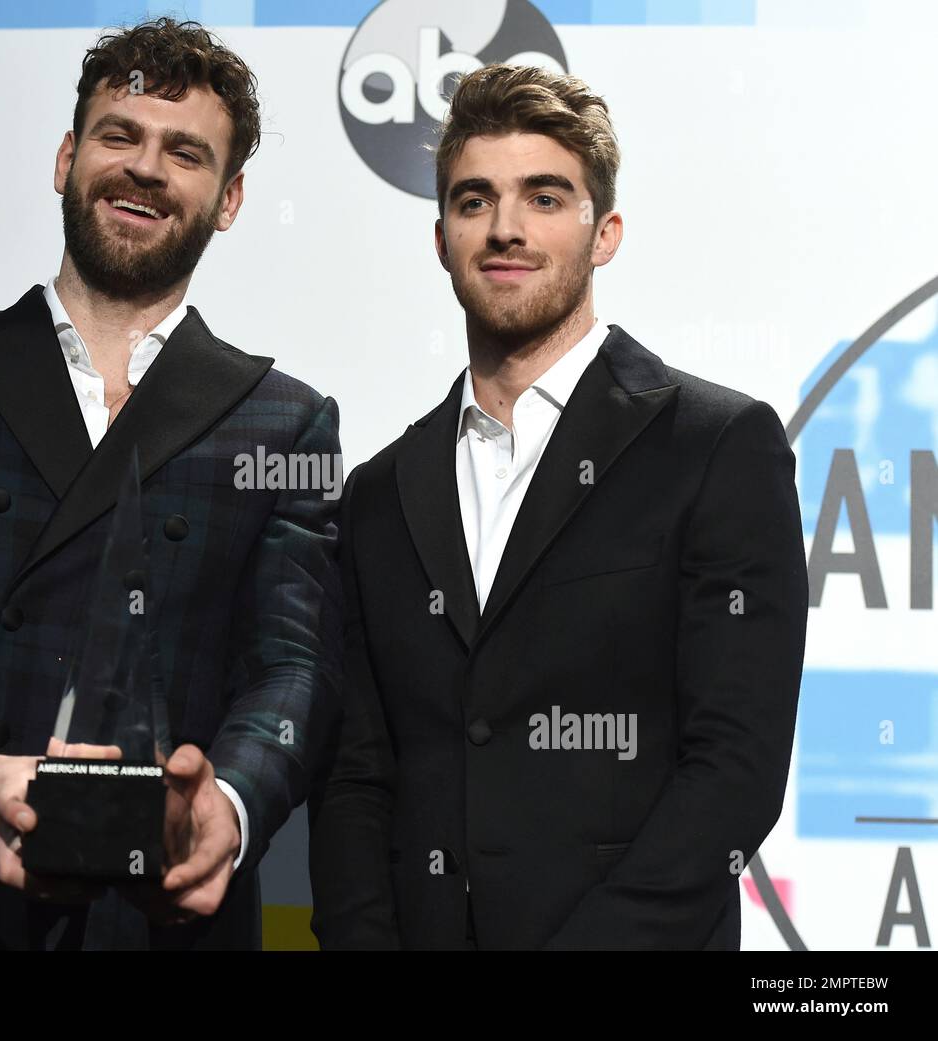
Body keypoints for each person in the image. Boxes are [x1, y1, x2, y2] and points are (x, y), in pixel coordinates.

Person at [0, 17, 342, 951]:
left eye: (185, 152)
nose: (144, 168)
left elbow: (292, 666)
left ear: (229, 199)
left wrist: (227, 803)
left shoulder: (284, 419)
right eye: (119, 135)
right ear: (66, 157)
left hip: (161, 913)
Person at [308, 63, 808, 950]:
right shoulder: (382, 490)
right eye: (475, 201)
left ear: (603, 231)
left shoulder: (717, 444)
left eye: (544, 197)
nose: (506, 228)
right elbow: (357, 777)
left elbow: (736, 769)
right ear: (441, 237)